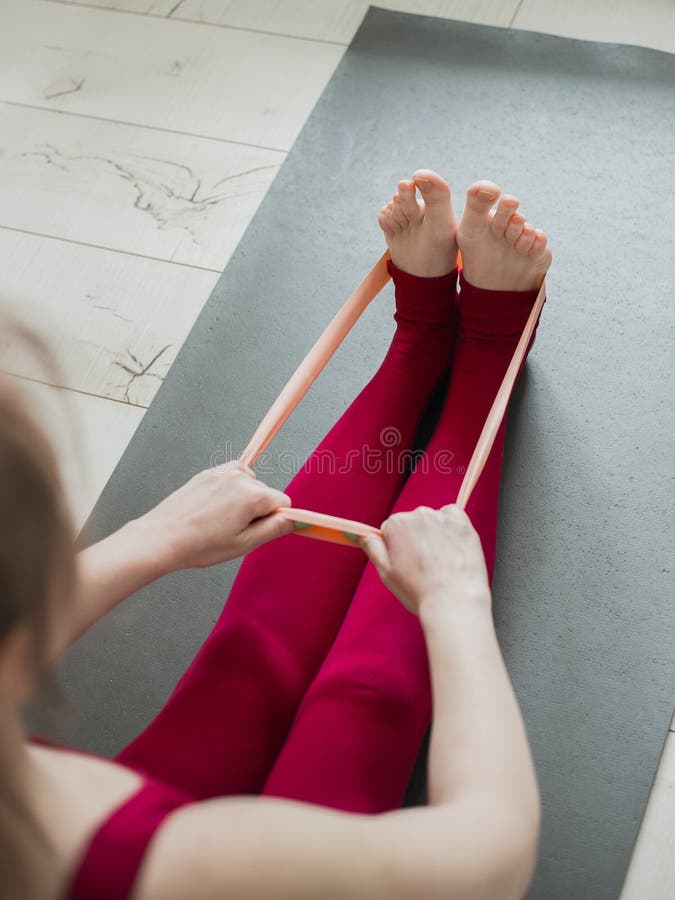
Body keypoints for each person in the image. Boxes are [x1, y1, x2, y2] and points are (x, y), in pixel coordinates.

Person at [0, 170, 552, 900]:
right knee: (363, 702)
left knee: (243, 666)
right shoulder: (166, 870)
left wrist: (154, 536)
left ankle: (420, 342)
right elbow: (491, 856)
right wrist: (455, 602)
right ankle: (484, 351)